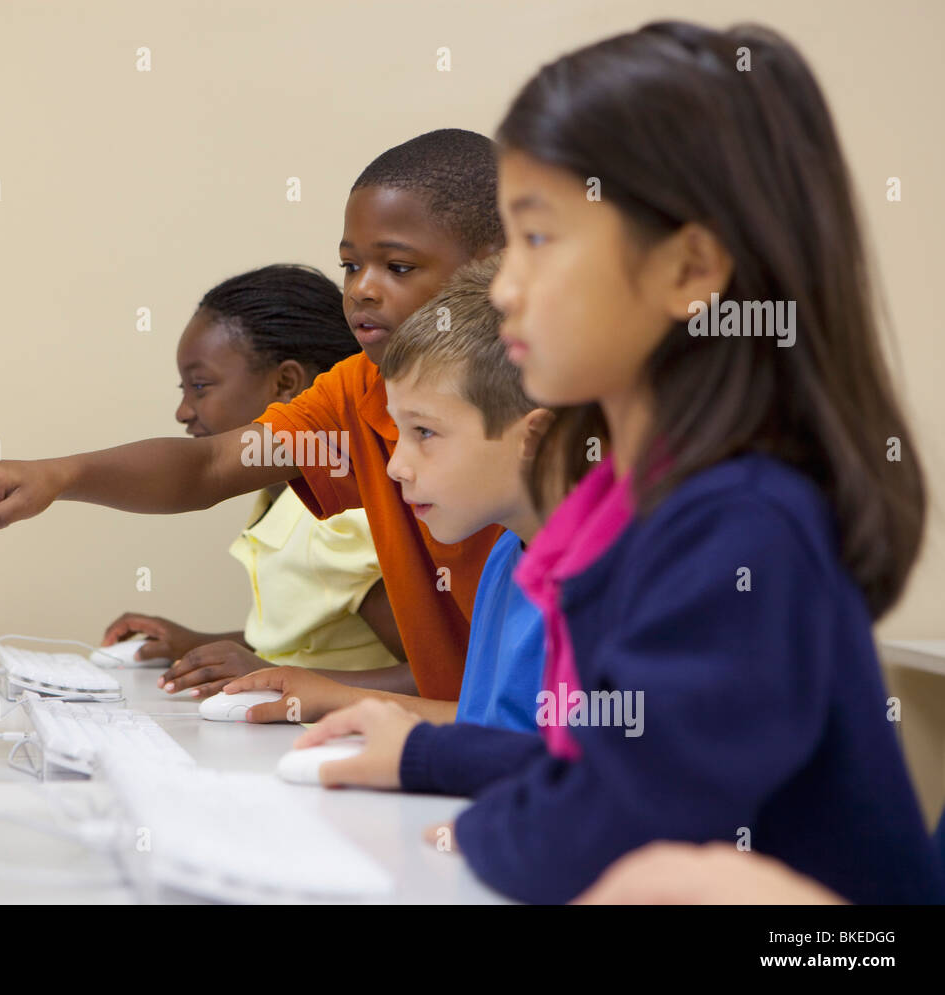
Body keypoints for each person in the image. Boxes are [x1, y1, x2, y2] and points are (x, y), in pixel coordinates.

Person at [287, 20, 945, 904]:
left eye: (538, 239)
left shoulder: (741, 524)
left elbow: (602, 828)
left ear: (690, 269)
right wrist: (420, 748)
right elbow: (604, 762)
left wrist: (473, 826)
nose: (505, 286)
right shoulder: (632, 506)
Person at [0, 129, 506, 701]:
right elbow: (207, 466)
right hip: (466, 737)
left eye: (397, 268)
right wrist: (58, 476)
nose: (362, 291)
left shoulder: (539, 404)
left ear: (493, 264)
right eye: (351, 267)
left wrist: (315, 689)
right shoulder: (357, 393)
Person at [222, 254, 550, 730]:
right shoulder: (506, 557)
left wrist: (407, 756)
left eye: (425, 433)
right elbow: (488, 726)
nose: (395, 467)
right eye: (398, 430)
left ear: (532, 438)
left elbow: (578, 761)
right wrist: (341, 699)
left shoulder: (616, 572)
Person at [99, 264, 402, 690]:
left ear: (286, 383)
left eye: (200, 386)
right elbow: (305, 645)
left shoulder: (337, 524)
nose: (183, 411)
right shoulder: (282, 501)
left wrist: (272, 678)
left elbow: (437, 679)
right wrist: (193, 643)